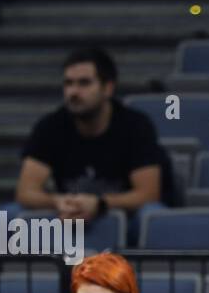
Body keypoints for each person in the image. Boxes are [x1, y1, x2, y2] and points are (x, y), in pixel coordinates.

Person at [15, 48, 165, 230]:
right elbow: (25, 192)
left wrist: (100, 204)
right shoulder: (50, 126)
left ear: (108, 88)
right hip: (67, 212)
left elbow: (148, 194)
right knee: (8, 215)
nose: (73, 92)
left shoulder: (135, 125)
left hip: (122, 215)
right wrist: (57, 201)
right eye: (68, 83)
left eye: (84, 83)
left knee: (152, 213)